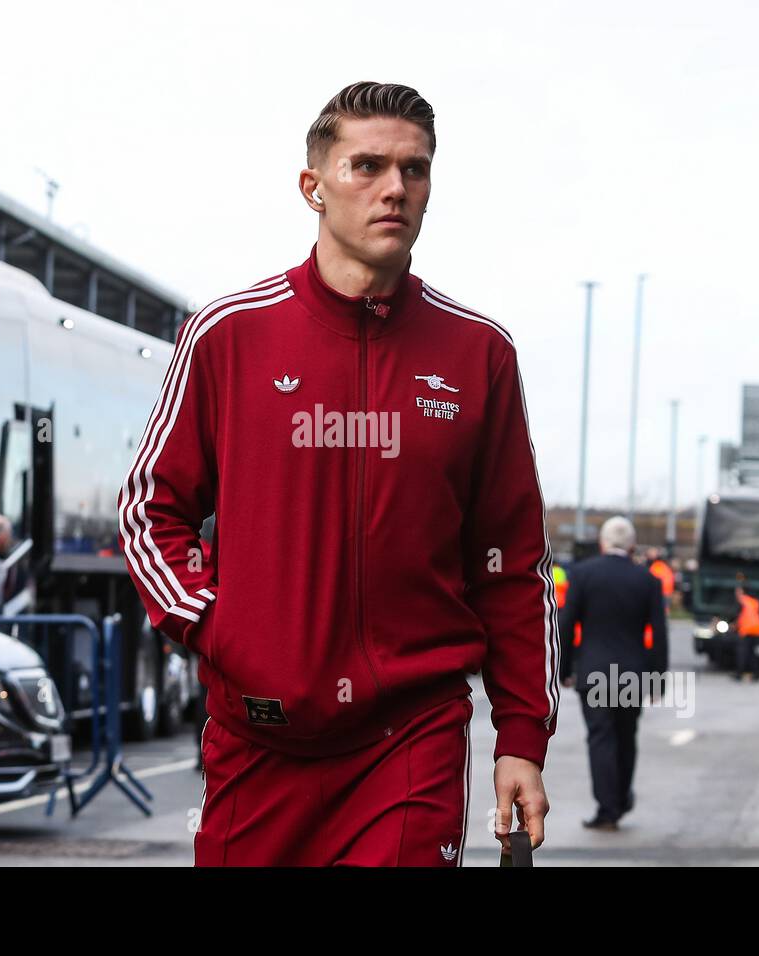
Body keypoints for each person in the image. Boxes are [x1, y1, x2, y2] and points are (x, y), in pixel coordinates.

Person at [117, 81, 560, 866]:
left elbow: (513, 564)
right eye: (368, 166)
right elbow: (151, 512)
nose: (396, 188)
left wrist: (520, 737)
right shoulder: (229, 335)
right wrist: (222, 629)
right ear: (312, 187)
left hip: (410, 741)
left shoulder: (480, 355)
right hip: (258, 742)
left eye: (415, 170)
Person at [558, 517, 667, 831]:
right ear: (632, 546)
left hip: (593, 672)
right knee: (626, 737)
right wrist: (658, 679)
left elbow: (566, 625)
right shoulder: (648, 580)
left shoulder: (582, 574)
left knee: (600, 738)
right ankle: (621, 797)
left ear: (602, 543)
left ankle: (608, 808)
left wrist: (565, 670)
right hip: (632, 672)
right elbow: (659, 634)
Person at [733, 577, 759, 682]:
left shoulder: (741, 601)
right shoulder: (754, 601)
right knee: (753, 653)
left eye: (737, 591)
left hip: (747, 630)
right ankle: (757, 673)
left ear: (741, 592)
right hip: (758, 630)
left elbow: (735, 615)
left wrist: (732, 625)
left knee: (742, 653)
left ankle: (739, 674)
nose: (736, 593)